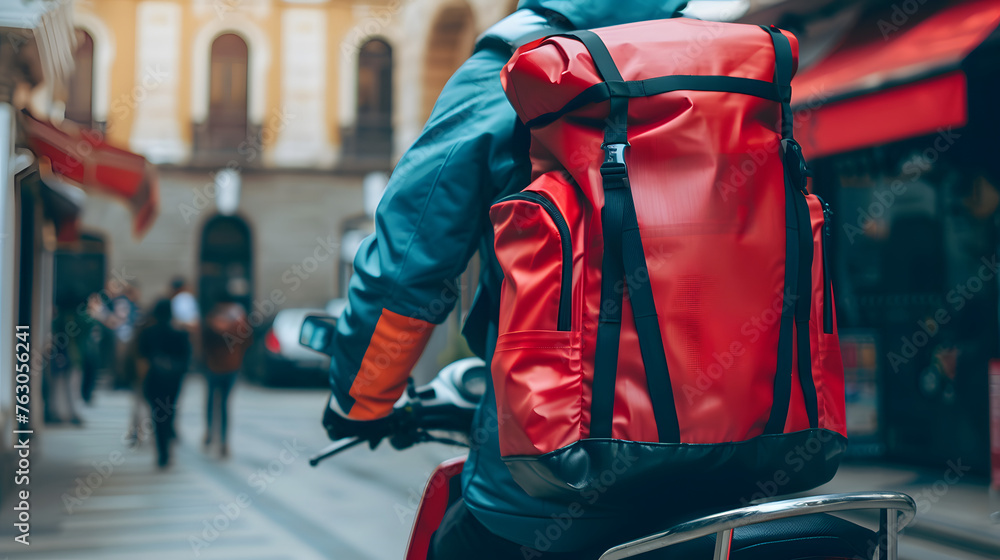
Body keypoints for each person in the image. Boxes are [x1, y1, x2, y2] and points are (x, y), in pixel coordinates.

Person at [321, 2, 688, 559]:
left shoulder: (521, 60)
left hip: (554, 478)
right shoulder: (719, 64)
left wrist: (361, 398)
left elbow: (411, 259)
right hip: (746, 461)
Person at [136, 299, 191, 468]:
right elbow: (187, 359)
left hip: (154, 379)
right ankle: (167, 444)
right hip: (173, 380)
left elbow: (141, 356)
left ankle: (162, 452)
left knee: (157, 415)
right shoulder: (180, 333)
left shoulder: (148, 333)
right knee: (169, 411)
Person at [201, 294, 252, 458]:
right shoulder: (239, 320)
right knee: (222, 403)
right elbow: (246, 340)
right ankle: (221, 439)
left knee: (213, 401)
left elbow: (205, 339)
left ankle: (212, 434)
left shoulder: (213, 318)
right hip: (230, 366)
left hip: (216, 366)